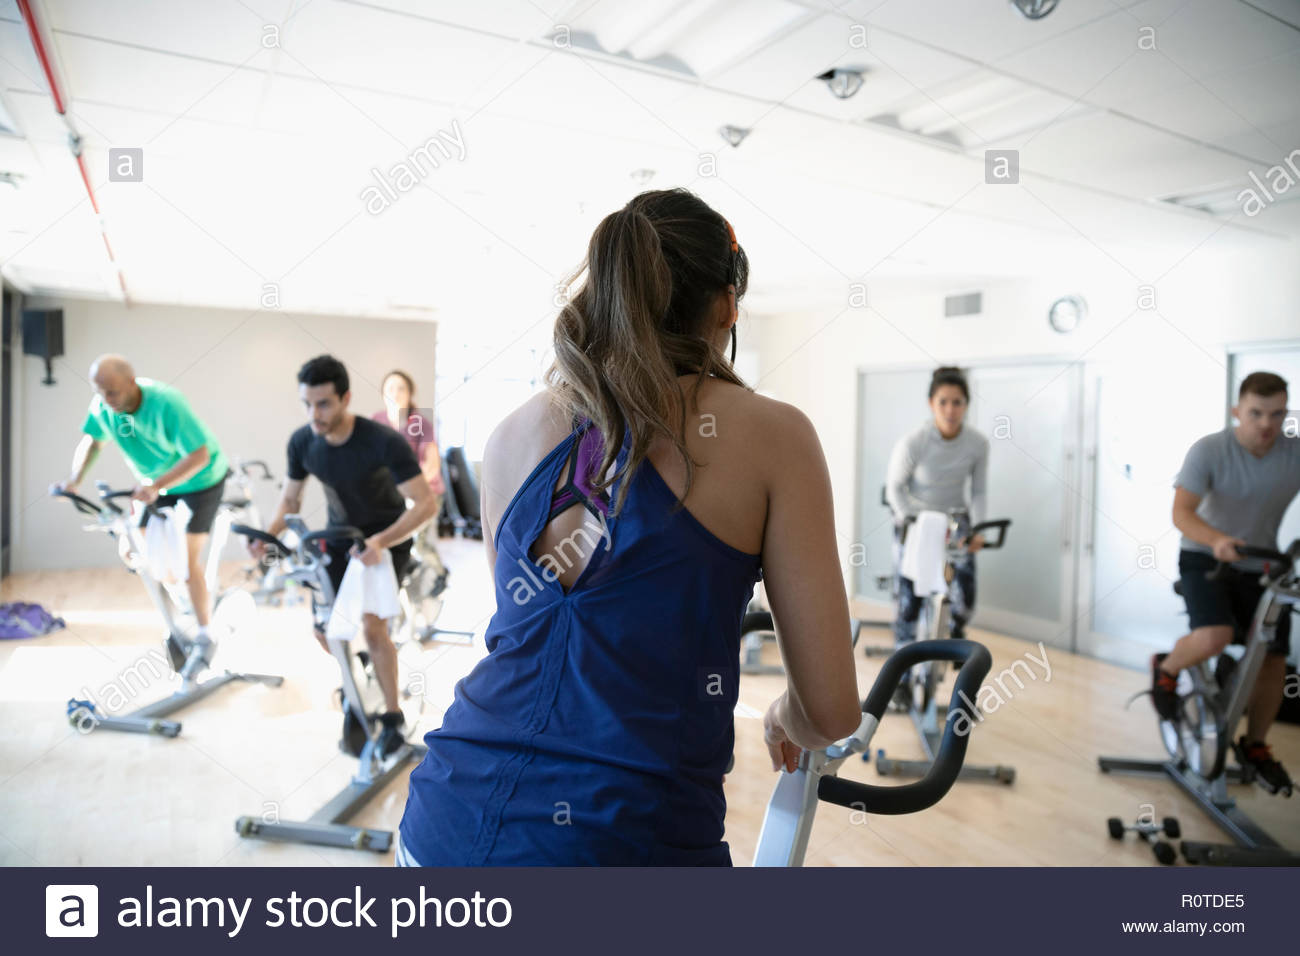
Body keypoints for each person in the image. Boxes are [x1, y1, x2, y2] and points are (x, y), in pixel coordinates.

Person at [396, 188, 860, 866]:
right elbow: (832, 710)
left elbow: (536, 635)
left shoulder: (512, 435)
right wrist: (788, 714)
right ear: (728, 305)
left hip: (442, 819)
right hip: (619, 844)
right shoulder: (776, 437)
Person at [253, 355, 438, 756]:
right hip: (337, 540)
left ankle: (392, 717)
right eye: (307, 404)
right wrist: (266, 536)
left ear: (346, 398)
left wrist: (381, 542)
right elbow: (289, 498)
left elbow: (425, 505)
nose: (313, 414)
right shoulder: (303, 442)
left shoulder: (383, 440)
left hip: (385, 541)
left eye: (323, 404)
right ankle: (362, 677)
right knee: (326, 631)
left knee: (373, 629)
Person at [1151, 371, 1298, 793]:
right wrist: (1216, 539)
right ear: (1237, 411)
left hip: (1264, 565)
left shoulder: (1293, 453)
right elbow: (1181, 514)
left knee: (1273, 658)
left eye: (1276, 414)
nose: (1266, 424)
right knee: (1215, 636)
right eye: (1256, 413)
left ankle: (1255, 746)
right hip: (1204, 555)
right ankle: (1166, 668)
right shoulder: (1209, 450)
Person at [52, 354, 229, 660]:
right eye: (99, 393)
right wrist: (73, 480)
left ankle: (205, 632)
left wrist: (157, 486)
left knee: (185, 559)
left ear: (132, 383)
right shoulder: (103, 407)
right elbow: (93, 441)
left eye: (112, 393)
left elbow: (199, 456)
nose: (106, 401)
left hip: (200, 480)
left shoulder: (166, 403)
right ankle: (182, 601)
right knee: (137, 550)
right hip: (153, 484)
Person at [884, 366, 990, 646]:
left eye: (957, 402)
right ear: (932, 404)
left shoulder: (978, 444)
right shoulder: (914, 442)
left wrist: (978, 530)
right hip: (917, 520)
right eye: (943, 402)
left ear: (966, 405)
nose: (950, 409)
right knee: (909, 602)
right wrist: (911, 518)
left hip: (956, 520)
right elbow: (895, 487)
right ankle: (903, 678)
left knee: (964, 601)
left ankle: (954, 633)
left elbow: (978, 491)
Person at [373, 370, 447, 586]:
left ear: (410, 393)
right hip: (392, 494)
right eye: (389, 388)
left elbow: (431, 465)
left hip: (426, 493)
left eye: (400, 388)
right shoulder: (377, 421)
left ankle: (439, 577)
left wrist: (412, 490)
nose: (394, 393)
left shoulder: (420, 423)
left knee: (419, 544)